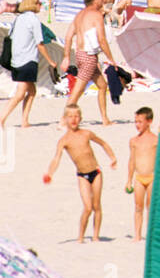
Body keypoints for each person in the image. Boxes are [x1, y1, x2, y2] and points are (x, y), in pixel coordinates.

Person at [42, 104, 118, 244]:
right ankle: (80, 237)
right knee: (88, 207)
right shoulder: (64, 140)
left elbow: (103, 143)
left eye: (76, 116)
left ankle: (95, 236)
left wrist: (112, 158)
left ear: (81, 118)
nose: (74, 119)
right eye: (70, 116)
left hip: (96, 172)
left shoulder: (86, 134)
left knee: (97, 206)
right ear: (65, 119)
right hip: (82, 176)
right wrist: (50, 173)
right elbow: (56, 159)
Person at [0, 0, 60, 128]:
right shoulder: (33, 20)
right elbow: (40, 43)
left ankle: (24, 121)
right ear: (33, 4)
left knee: (32, 92)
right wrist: (50, 61)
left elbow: (12, 37)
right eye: (39, 3)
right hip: (28, 60)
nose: (40, 5)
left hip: (16, 59)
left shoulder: (18, 19)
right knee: (20, 93)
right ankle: (1, 119)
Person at [60, 0, 117, 126]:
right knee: (77, 91)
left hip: (80, 54)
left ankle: (105, 119)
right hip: (88, 56)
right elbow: (102, 39)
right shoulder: (96, 15)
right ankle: (63, 121)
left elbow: (68, 37)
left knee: (102, 85)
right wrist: (111, 59)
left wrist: (66, 57)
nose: (103, 0)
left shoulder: (79, 15)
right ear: (96, 0)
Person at [125, 107, 158, 242]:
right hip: (139, 178)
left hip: (152, 177)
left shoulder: (156, 140)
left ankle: (150, 235)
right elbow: (131, 161)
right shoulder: (134, 141)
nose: (137, 125)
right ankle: (137, 235)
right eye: (136, 122)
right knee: (138, 207)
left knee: (150, 207)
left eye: (140, 122)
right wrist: (129, 180)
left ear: (149, 121)